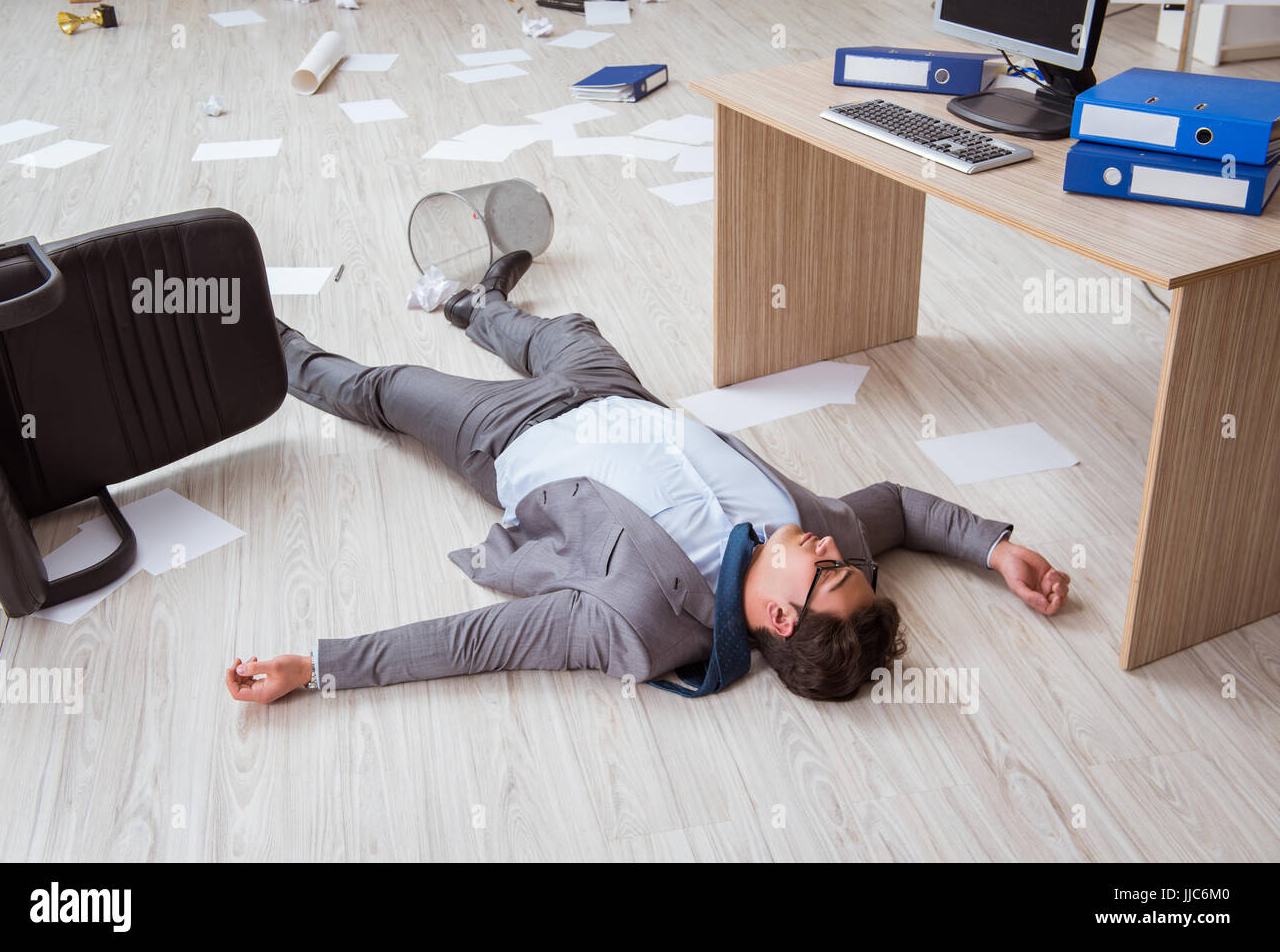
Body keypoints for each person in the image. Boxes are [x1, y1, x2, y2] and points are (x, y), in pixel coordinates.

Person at [226, 252, 1069, 706]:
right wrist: (996, 550)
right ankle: (473, 304)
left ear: (778, 615)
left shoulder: (639, 625)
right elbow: (898, 506)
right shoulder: (823, 535)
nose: (830, 546)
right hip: (615, 392)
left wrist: (319, 665)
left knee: (382, 389)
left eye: (829, 572)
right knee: (561, 330)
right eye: (844, 563)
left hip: (510, 437)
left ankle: (256, 330)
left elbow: (473, 644)